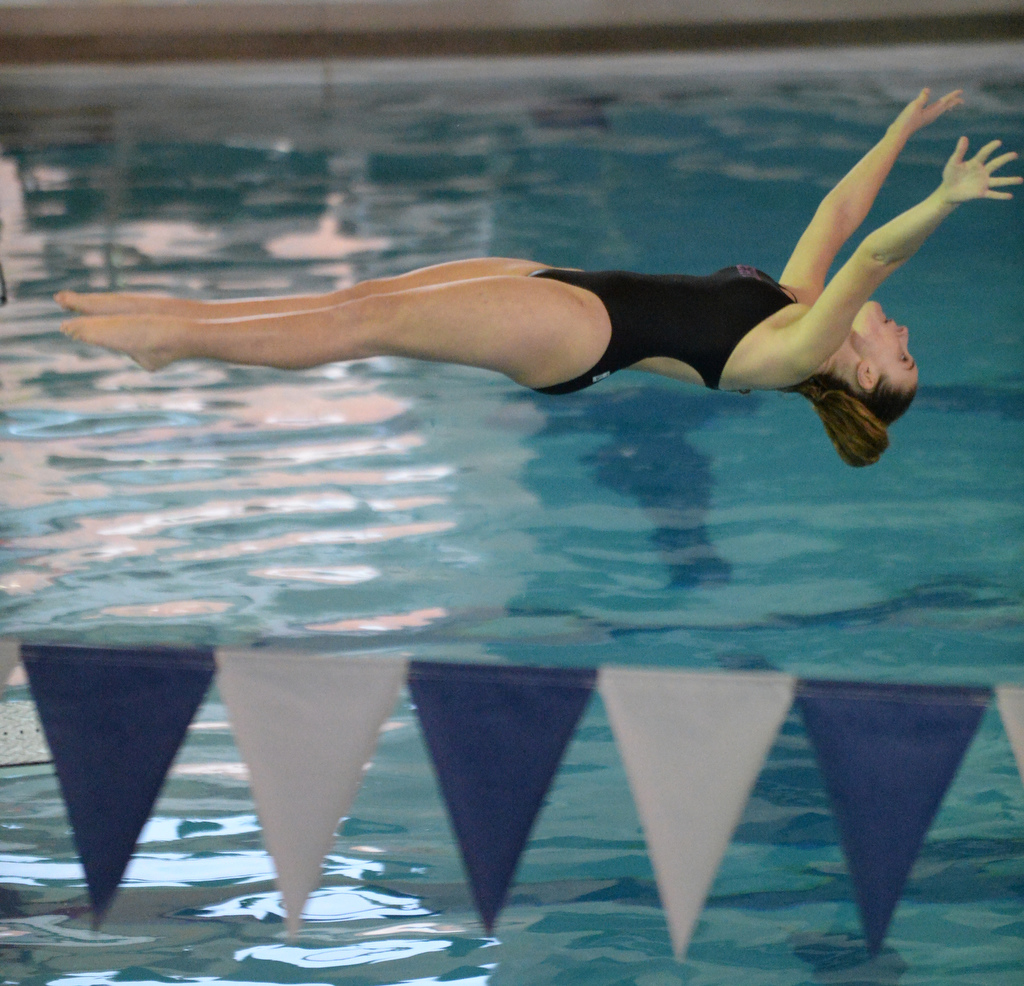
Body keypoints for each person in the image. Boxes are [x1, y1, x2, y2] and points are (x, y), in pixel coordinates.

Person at [57, 89, 1020, 467]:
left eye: (903, 357)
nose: (903, 335)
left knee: (366, 325)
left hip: (576, 335)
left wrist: (944, 200)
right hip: (570, 289)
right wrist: (899, 131)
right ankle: (166, 314)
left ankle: (171, 342)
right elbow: (839, 218)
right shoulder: (799, 310)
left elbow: (875, 254)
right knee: (359, 301)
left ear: (861, 374)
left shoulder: (800, 351)